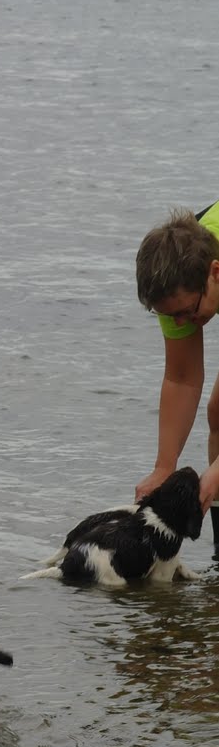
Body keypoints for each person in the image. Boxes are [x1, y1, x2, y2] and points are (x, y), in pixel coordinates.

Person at [135, 199, 219, 549]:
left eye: (186, 312)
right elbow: (182, 377)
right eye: (171, 317)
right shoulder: (175, 286)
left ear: (215, 273)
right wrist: (163, 466)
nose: (181, 323)